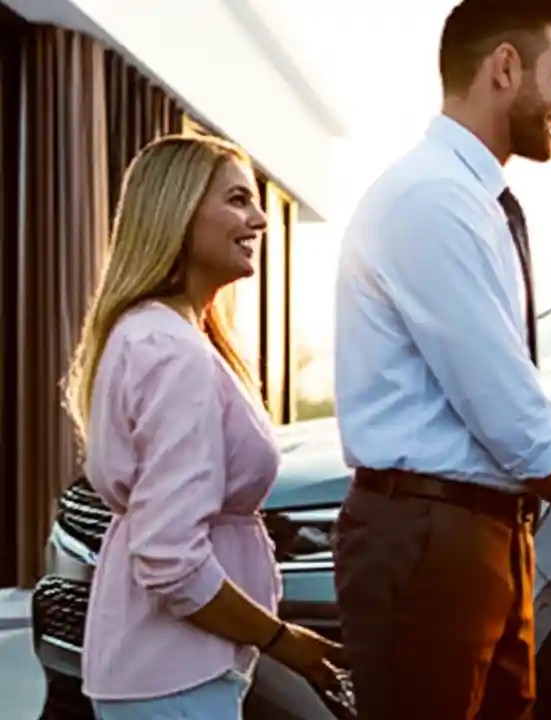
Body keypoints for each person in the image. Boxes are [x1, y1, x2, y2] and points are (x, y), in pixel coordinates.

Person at [330, 1, 551, 718]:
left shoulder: (472, 200)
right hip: (428, 543)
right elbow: (509, 410)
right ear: (506, 67)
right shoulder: (432, 200)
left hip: (482, 538)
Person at [63, 135, 345, 719]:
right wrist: (282, 639)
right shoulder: (172, 350)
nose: (261, 218)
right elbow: (169, 555)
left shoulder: (149, 331)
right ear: (181, 211)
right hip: (175, 676)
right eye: (239, 200)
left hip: (154, 667)